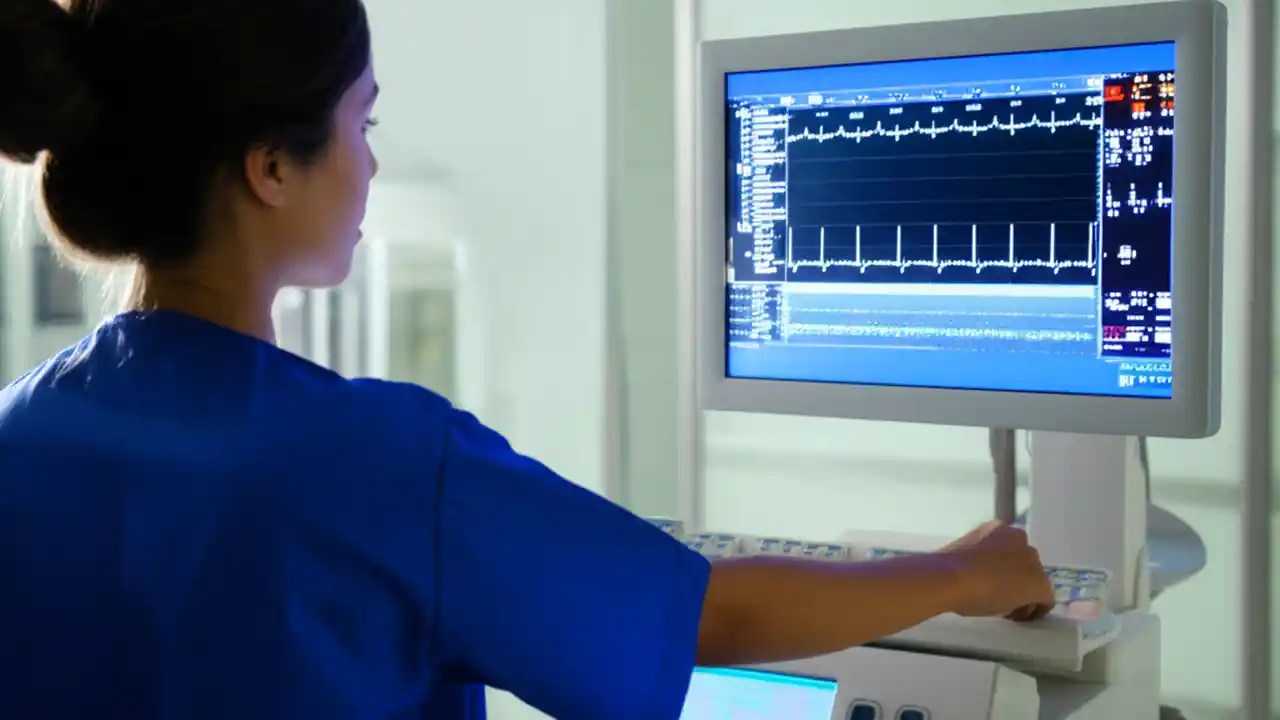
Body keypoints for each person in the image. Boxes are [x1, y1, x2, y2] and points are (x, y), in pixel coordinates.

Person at [0, 1, 1056, 718]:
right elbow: (709, 614)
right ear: (272, 166)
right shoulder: (376, 464)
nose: (370, 162)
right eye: (362, 121)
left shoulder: (18, 433)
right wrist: (964, 572)